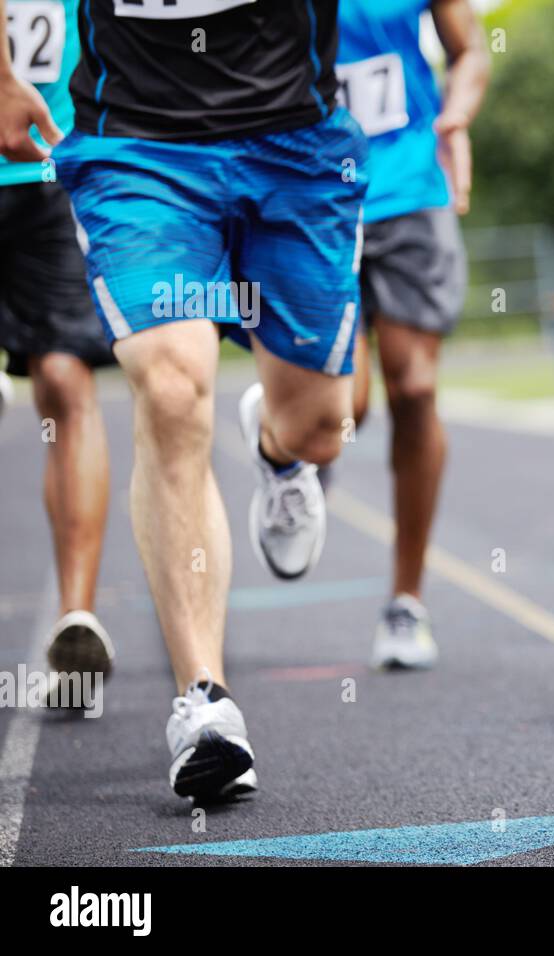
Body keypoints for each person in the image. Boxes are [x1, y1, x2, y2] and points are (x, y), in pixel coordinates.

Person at [0, 0, 369, 800]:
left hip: (295, 138)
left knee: (318, 427)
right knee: (170, 385)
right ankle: (204, 704)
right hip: (137, 144)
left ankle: (278, 450)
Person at [336, 0, 488, 670]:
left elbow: (470, 48)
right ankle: (291, 452)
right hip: (312, 192)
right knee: (344, 407)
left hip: (411, 189)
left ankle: (406, 600)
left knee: (417, 389)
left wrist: (456, 116)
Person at [0, 0, 117, 694]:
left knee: (66, 382)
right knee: (64, 387)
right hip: (42, 162)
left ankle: (77, 619)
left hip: (50, 170)